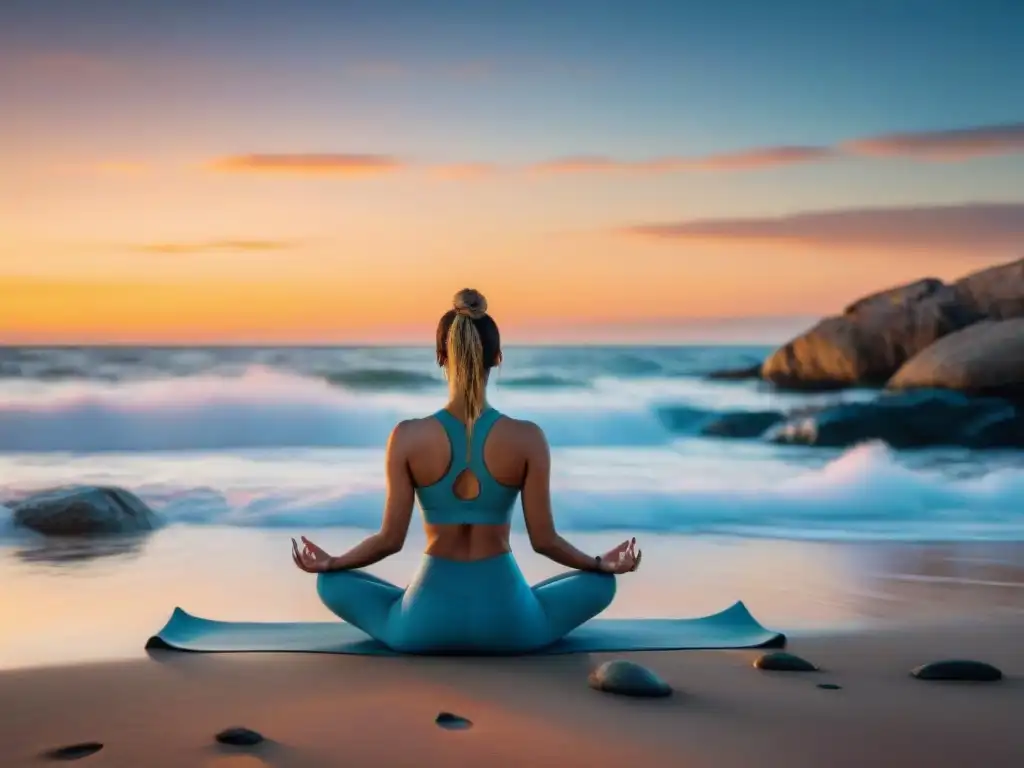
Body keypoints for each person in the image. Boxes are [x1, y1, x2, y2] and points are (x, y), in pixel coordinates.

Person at [291, 288, 642, 653]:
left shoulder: (407, 436)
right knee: (602, 584)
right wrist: (599, 563)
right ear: (498, 357)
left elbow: (389, 541)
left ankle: (415, 603)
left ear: (441, 356)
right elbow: (545, 542)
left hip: (422, 627)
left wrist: (334, 561)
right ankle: (523, 602)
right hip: (511, 627)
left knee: (330, 583)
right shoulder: (527, 437)